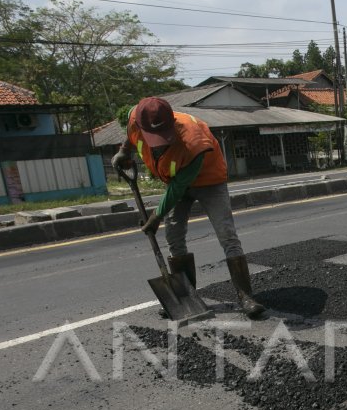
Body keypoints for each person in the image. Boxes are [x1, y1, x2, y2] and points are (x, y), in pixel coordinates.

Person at [112, 96, 265, 319]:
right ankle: (187, 298)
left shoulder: (193, 140)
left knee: (227, 234)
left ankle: (246, 296)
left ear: (171, 123)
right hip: (175, 182)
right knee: (174, 237)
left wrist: (155, 217)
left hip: (209, 181)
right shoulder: (136, 119)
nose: (158, 142)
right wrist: (124, 150)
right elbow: (131, 136)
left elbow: (178, 187)